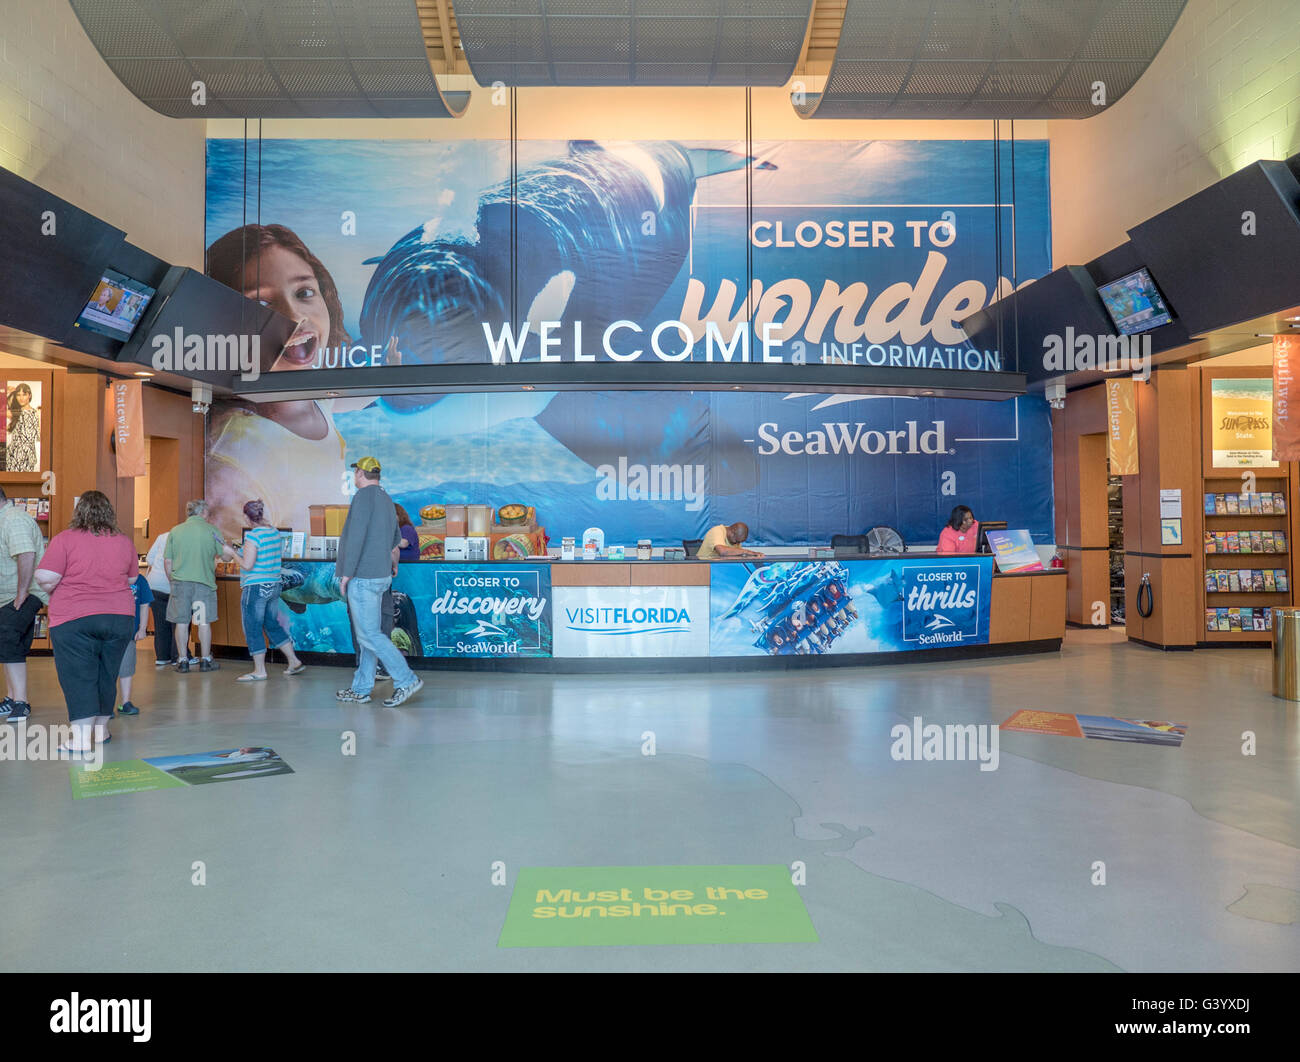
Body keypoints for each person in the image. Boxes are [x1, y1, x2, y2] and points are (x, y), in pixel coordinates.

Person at [204, 224, 390, 541]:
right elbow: (235, 572)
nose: (293, 316)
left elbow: (356, 397)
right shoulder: (235, 463)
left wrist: (394, 371)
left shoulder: (315, 399)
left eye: (304, 293)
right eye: (260, 305)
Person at [33, 491, 138, 754]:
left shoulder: (65, 539)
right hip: (119, 618)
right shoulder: (124, 541)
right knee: (107, 673)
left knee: (79, 676)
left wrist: (56, 588)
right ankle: (101, 731)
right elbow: (133, 580)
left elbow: (45, 577)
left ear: (78, 512)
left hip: (74, 618)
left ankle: (79, 740)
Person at [334, 457, 423, 708]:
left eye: (356, 472)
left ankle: (406, 680)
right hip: (382, 575)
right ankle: (361, 688)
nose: (354, 476)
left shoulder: (362, 497)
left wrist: (347, 573)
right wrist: (393, 565)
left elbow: (355, 538)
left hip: (364, 576)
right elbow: (395, 537)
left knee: (370, 635)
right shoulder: (385, 498)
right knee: (368, 636)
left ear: (361, 473)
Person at [226, 499, 306, 681]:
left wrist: (231, 553)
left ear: (247, 517)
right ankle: (293, 661)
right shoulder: (274, 533)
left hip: (256, 587)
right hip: (274, 585)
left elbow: (247, 564)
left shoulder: (253, 537)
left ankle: (259, 670)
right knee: (271, 623)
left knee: (252, 626)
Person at [0, 484, 48, 722]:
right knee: (7, 646)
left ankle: (21, 702)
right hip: (8, 596)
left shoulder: (13, 519)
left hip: (21, 595)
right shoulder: (5, 519)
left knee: (8, 639)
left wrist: (21, 593)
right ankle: (11, 699)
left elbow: (26, 554)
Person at [165, 500, 224, 673]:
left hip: (180, 583)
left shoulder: (175, 531)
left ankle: (182, 661)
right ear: (203, 512)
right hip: (203, 584)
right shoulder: (212, 530)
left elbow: (168, 561)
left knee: (182, 622)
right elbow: (225, 556)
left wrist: (173, 581)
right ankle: (205, 660)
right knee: (203, 622)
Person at [115, 572, 152, 715]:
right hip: (107, 633)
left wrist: (142, 628)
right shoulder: (109, 574)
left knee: (127, 669)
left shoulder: (140, 580)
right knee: (107, 670)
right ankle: (105, 706)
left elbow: (144, 605)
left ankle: (125, 702)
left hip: (129, 633)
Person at [144, 529, 177, 666]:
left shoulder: (162, 535)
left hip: (155, 584)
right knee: (177, 623)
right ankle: (178, 656)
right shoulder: (183, 537)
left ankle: (162, 657)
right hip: (173, 584)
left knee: (160, 624)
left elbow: (149, 559)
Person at [6, 383, 40, 472]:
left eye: (24, 394)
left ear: (29, 395)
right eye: (18, 395)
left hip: (28, 455)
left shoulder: (36, 413)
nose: (21, 398)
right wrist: (6, 390)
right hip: (13, 455)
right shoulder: (15, 413)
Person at [697, 522, 763, 559]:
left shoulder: (736, 537)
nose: (737, 543)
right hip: (703, 568)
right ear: (732, 532)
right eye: (737, 541)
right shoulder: (717, 531)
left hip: (718, 569)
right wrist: (748, 552)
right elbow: (723, 552)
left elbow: (738, 556)